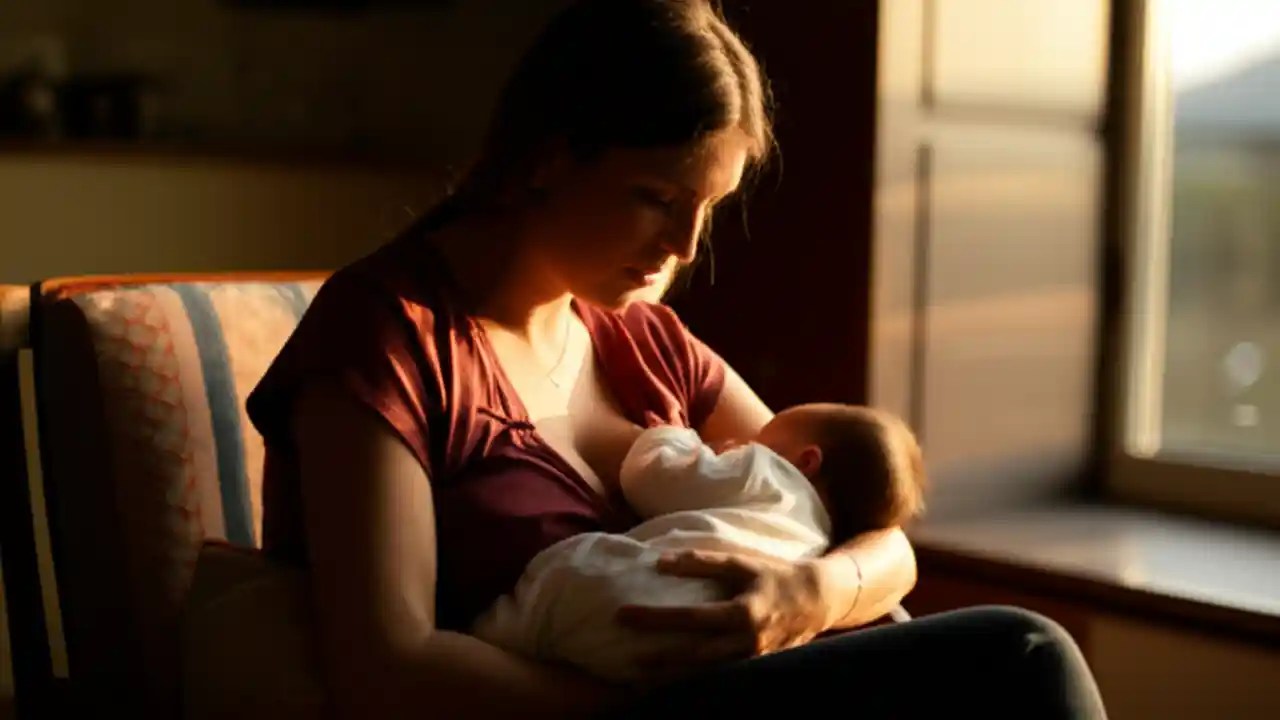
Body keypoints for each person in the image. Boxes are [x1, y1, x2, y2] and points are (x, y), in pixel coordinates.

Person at [244, 0, 1109, 718]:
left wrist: (809, 598)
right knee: (1022, 656)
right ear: (548, 155)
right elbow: (386, 666)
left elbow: (881, 540)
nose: (684, 246)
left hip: (740, 682)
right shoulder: (388, 336)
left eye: (708, 208)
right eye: (657, 198)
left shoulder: (644, 340)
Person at [471, 403, 927, 684]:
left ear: (806, 460)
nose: (745, 443)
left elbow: (653, 476)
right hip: (686, 654)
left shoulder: (766, 473)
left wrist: (672, 438)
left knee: (563, 578)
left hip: (630, 597)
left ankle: (495, 631)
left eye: (762, 439)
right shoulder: (816, 538)